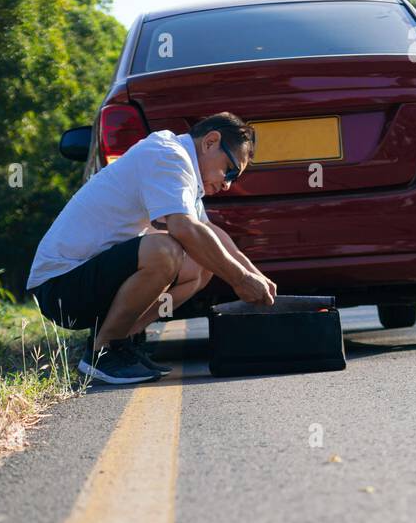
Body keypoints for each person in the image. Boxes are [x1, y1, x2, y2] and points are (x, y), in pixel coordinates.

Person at [27, 111, 277, 384]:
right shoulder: (167, 155)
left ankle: (123, 343)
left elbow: (209, 233)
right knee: (166, 249)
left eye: (234, 178)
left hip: (83, 283)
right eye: (229, 169)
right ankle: (103, 352)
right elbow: (184, 229)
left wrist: (254, 274)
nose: (228, 184)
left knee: (202, 262)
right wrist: (239, 280)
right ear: (210, 142)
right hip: (60, 289)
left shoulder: (185, 170)